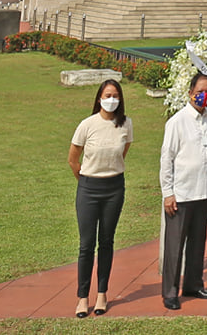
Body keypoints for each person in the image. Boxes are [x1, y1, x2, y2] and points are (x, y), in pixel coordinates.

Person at [67, 78, 132, 318]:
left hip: (114, 187)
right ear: (99, 98)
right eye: (107, 95)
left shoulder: (126, 124)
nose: (111, 99)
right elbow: (73, 160)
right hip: (88, 188)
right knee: (86, 245)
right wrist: (85, 181)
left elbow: (122, 154)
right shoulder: (87, 125)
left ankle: (102, 293)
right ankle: (83, 297)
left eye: (115, 95)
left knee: (106, 241)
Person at [158, 71, 207, 310]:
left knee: (198, 242)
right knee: (175, 245)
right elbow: (167, 159)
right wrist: (168, 192)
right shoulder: (177, 122)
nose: (203, 96)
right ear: (190, 93)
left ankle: (194, 284)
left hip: (203, 191)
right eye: (199, 92)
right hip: (181, 193)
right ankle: (170, 292)